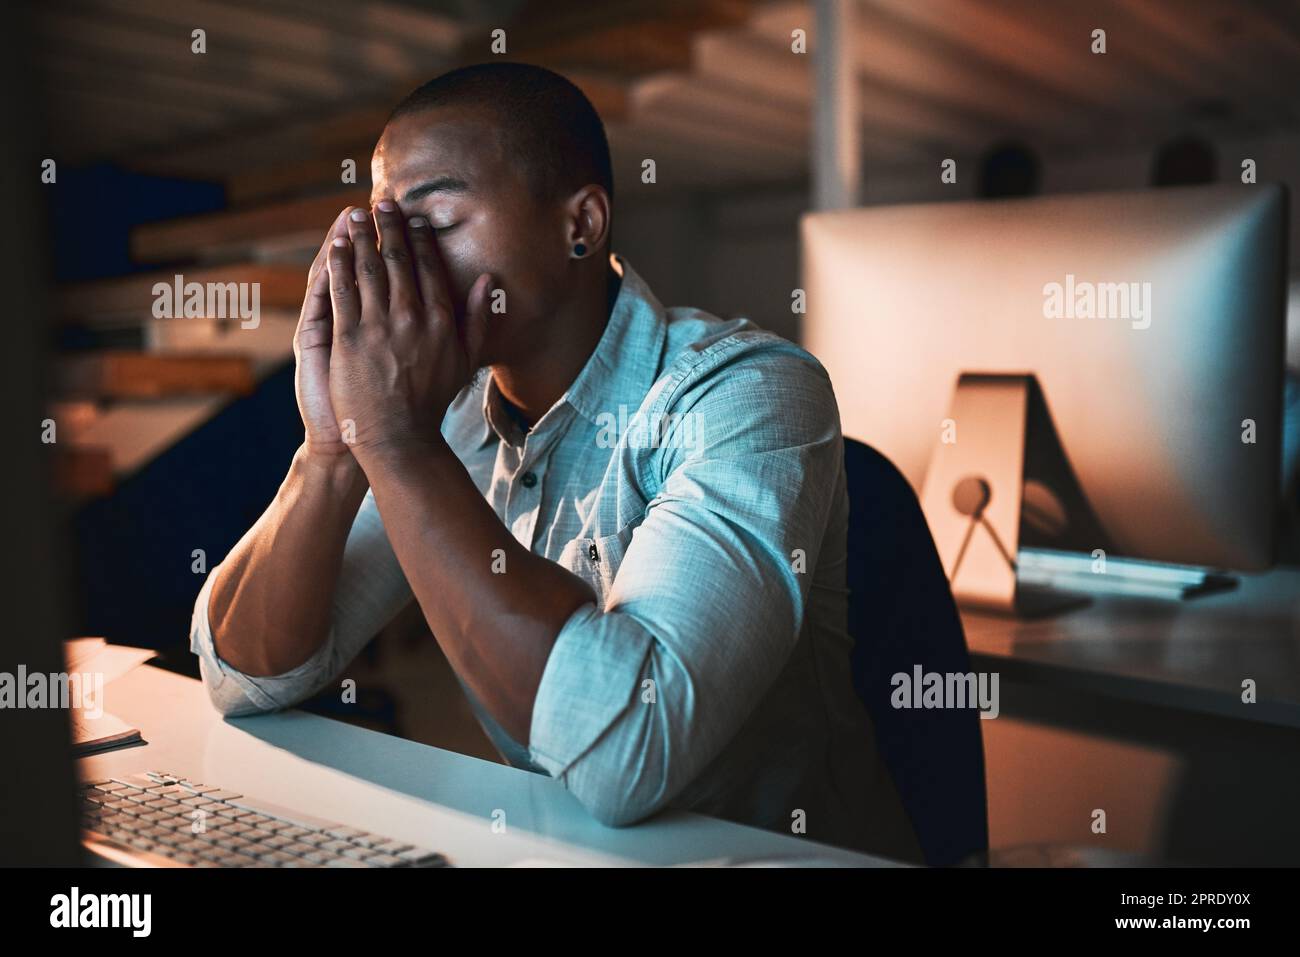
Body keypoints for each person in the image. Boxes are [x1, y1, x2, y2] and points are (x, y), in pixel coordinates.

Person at [189, 62, 922, 861]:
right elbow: (246, 676)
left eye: (432, 226)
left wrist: (397, 445)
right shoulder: (449, 417)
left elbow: (627, 753)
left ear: (582, 224)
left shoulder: (750, 393)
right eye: (384, 232)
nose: (398, 268)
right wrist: (333, 452)